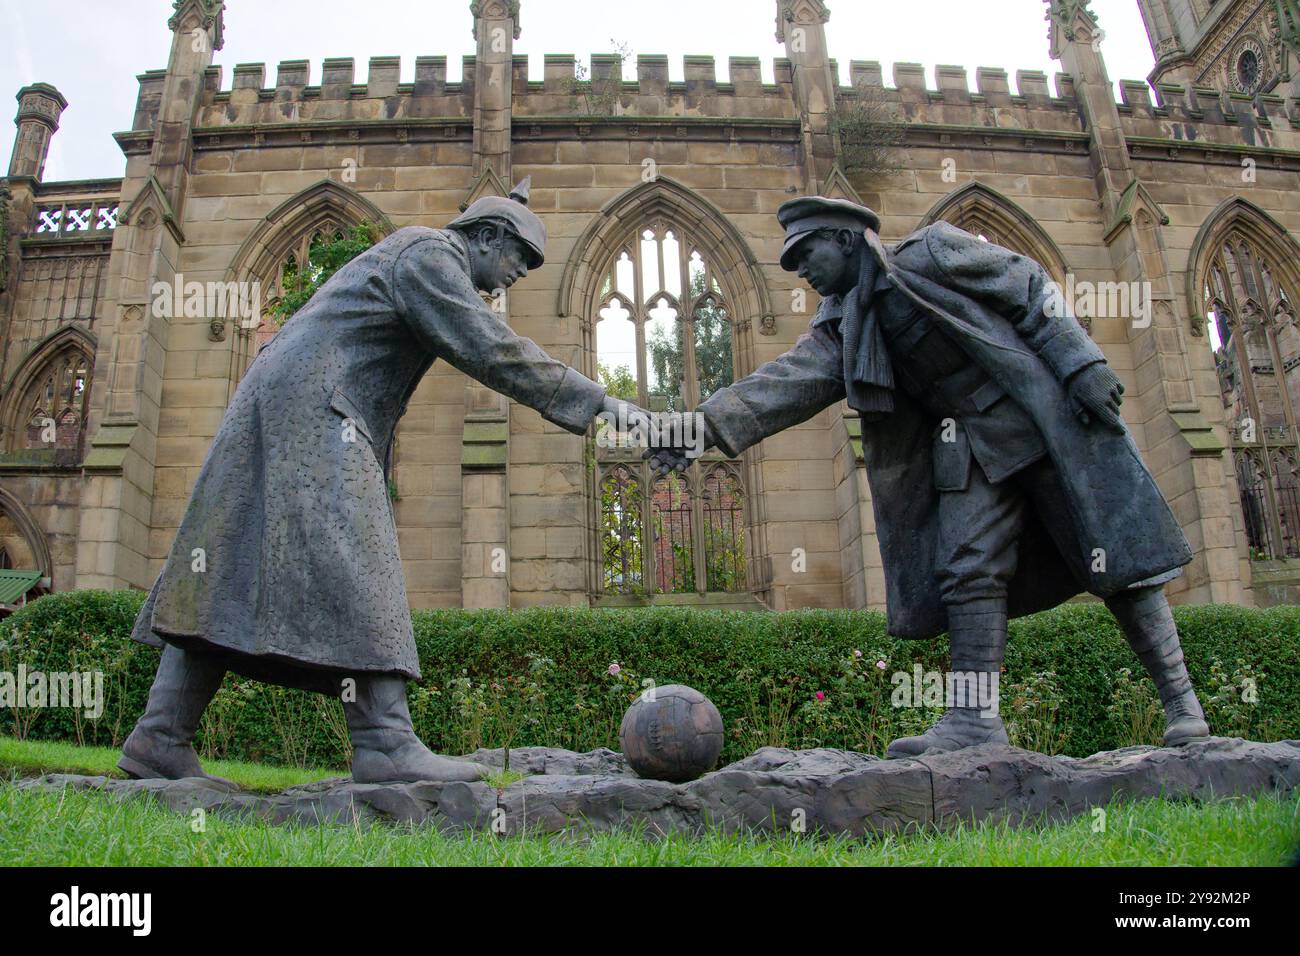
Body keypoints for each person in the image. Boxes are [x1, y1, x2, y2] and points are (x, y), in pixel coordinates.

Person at [122, 179, 652, 784]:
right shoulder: (429, 255)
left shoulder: (420, 256)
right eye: (516, 261)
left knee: (226, 565)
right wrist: (611, 409)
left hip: (285, 404)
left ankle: (159, 737)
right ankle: (383, 741)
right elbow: (495, 353)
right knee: (360, 558)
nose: (515, 277)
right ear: (485, 237)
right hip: (317, 412)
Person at [646, 195, 1209, 756]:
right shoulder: (842, 321)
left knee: (1113, 557)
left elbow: (1030, 285)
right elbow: (783, 385)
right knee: (966, 570)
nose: (802, 272)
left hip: (1040, 419)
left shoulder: (932, 251)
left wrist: (1081, 362)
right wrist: (696, 430)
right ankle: (974, 722)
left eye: (807, 255)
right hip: (965, 447)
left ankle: (1183, 705)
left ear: (844, 239)